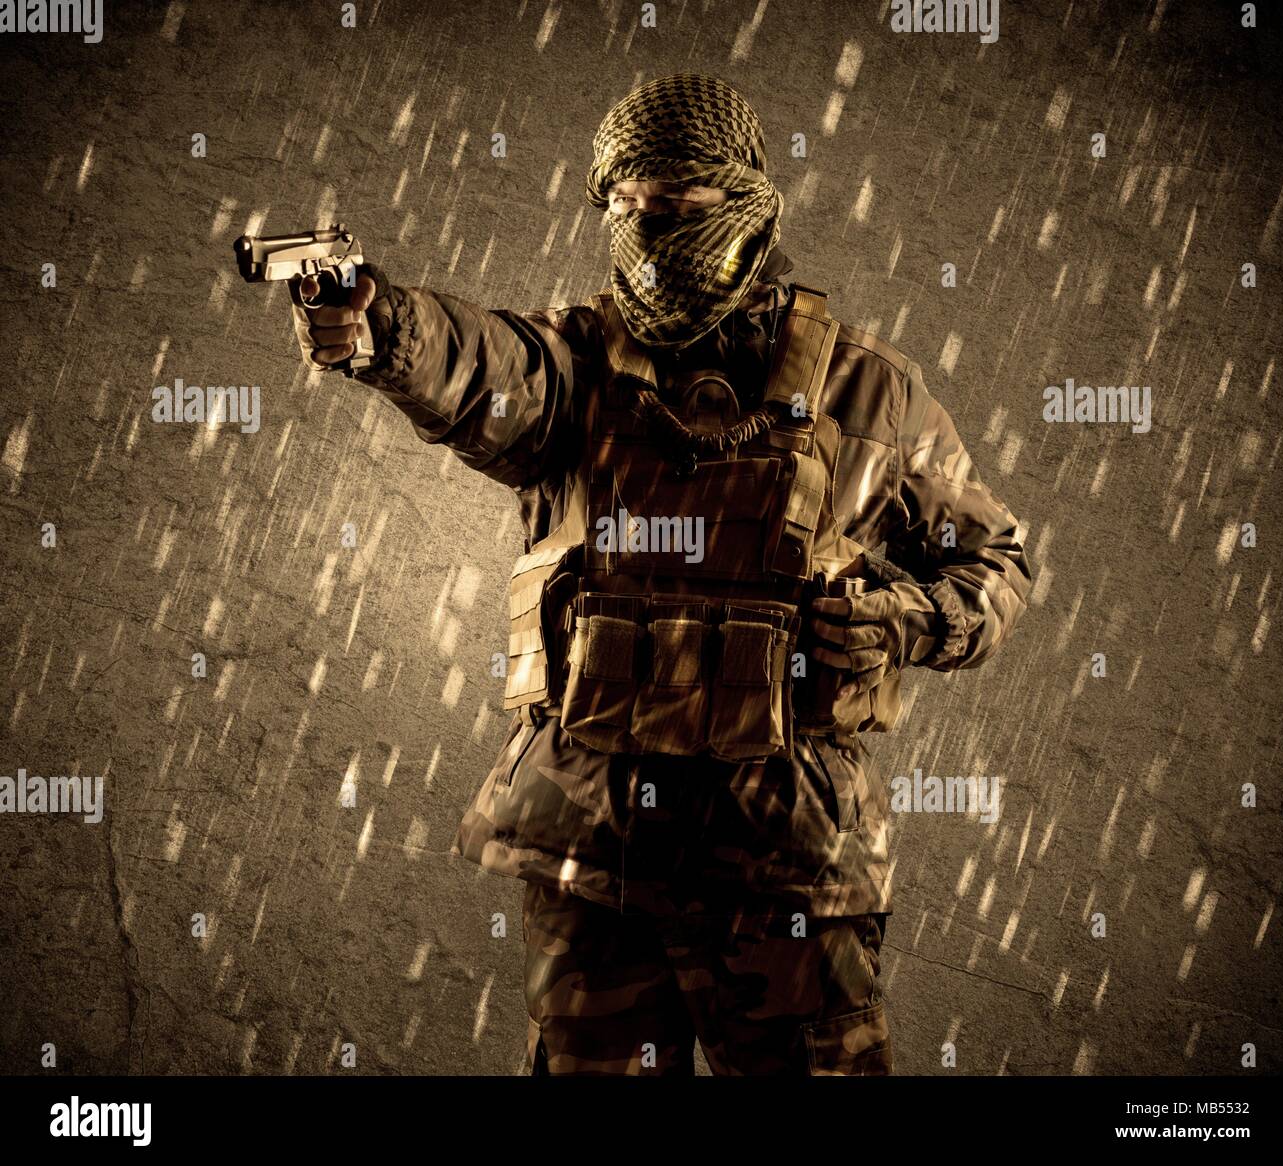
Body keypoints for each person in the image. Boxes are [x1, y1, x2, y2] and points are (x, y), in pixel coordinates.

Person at [289, 72, 1031, 1076]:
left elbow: (996, 562)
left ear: (747, 205)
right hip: (596, 847)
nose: (647, 232)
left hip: (788, 857)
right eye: (626, 208)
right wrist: (384, 330)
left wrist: (900, 618)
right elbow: (480, 365)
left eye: (677, 208)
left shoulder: (868, 390)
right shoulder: (575, 365)